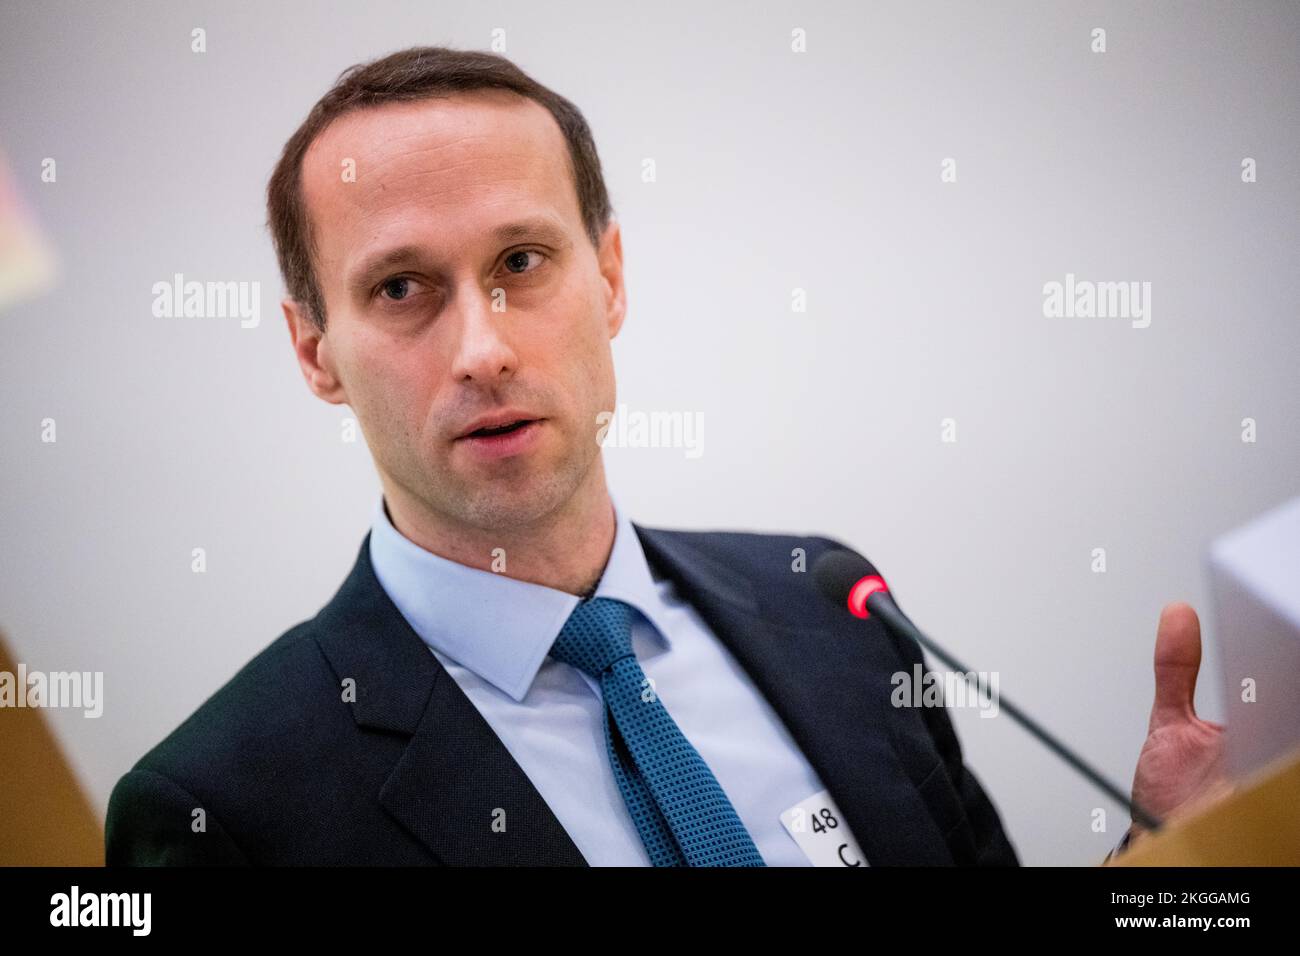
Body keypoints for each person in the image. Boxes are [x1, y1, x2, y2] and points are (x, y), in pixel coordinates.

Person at [105, 46, 1226, 866]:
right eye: (401, 289)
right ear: (314, 350)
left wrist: (1168, 865)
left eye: (523, 259)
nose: (483, 348)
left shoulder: (834, 608)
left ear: (612, 277)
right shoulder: (221, 805)